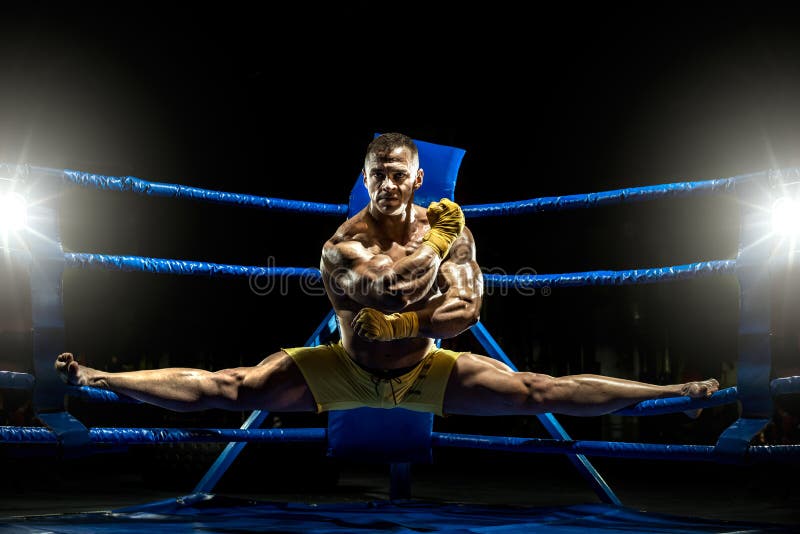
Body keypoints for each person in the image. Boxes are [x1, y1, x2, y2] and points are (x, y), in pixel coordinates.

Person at [55, 132, 719, 417]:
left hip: (423, 369)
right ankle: (98, 377)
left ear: (417, 177)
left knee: (539, 390)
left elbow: (466, 311)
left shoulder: (453, 231)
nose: (388, 184)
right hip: (343, 367)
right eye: (378, 175)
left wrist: (407, 325)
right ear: (365, 179)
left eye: (398, 174)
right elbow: (380, 290)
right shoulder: (343, 243)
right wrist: (436, 244)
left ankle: (671, 390)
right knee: (230, 387)